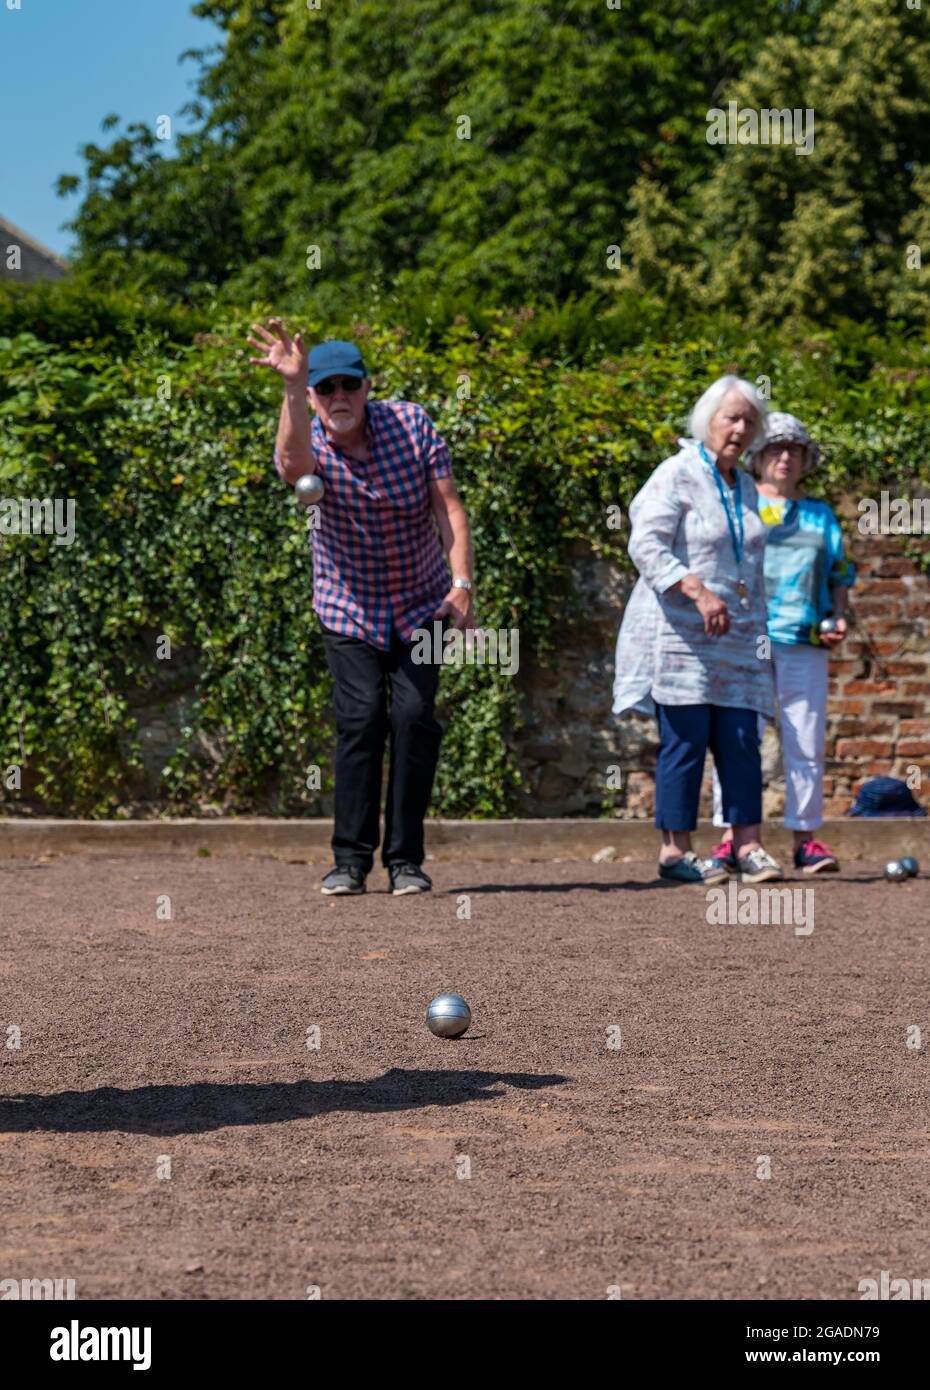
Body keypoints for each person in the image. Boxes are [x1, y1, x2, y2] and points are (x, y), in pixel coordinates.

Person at [248, 321, 474, 896]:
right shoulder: (308, 430)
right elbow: (297, 468)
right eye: (327, 389)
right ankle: (350, 861)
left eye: (350, 385)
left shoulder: (412, 424)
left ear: (368, 387)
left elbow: (448, 508)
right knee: (361, 720)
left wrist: (462, 583)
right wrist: (293, 388)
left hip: (422, 602)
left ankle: (406, 862)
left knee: (414, 718)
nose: (339, 397)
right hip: (348, 607)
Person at [613, 375, 782, 885]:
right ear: (707, 420)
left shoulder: (747, 485)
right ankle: (674, 853)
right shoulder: (677, 473)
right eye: (732, 417)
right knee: (684, 743)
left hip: (738, 640)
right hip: (679, 637)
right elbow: (645, 545)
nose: (740, 428)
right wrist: (697, 589)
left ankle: (747, 846)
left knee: (739, 742)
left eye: (750, 420)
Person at [710, 413, 855, 875]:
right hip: (746, 637)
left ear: (806, 458)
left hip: (804, 639)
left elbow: (839, 574)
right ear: (757, 457)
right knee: (737, 739)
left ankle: (806, 840)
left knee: (806, 738)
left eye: (794, 449)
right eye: (775, 448)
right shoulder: (742, 503)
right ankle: (730, 838)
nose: (786, 457)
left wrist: (840, 616)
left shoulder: (821, 514)